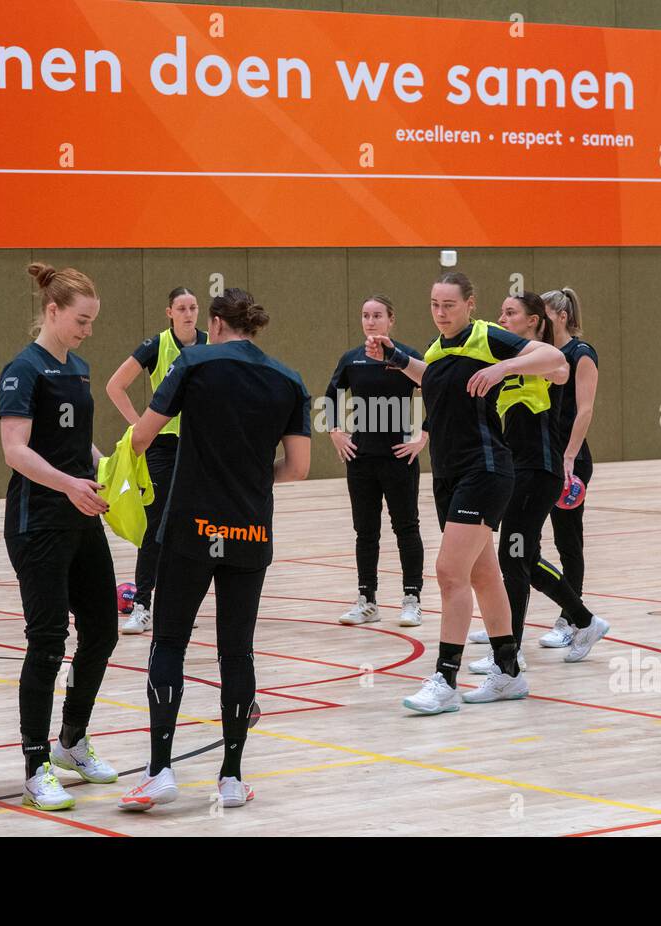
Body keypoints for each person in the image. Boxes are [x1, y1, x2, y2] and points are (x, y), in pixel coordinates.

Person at [118, 288, 310, 812]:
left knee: (170, 643)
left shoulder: (193, 362)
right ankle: (230, 777)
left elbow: (142, 438)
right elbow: (297, 468)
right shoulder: (289, 380)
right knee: (237, 650)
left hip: (189, 527)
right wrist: (251, 478)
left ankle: (159, 772)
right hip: (250, 529)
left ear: (218, 323)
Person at [366, 271, 567, 714]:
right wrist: (398, 357)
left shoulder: (488, 337)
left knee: (449, 572)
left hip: (487, 469)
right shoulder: (440, 349)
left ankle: (445, 678)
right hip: (448, 473)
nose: (441, 313)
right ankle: (509, 671)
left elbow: (553, 355)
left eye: (449, 305)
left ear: (470, 305)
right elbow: (432, 377)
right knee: (483, 575)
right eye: (435, 305)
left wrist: (504, 366)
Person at [0, 263, 119, 811]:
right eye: (80, 320)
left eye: (91, 322)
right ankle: (34, 764)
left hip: (80, 513)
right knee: (47, 641)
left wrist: (109, 471)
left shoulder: (82, 368)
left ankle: (71, 740)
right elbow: (15, 451)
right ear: (52, 311)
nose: (86, 331)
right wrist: (70, 484)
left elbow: (80, 444)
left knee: (103, 630)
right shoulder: (23, 371)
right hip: (38, 521)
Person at [476, 292, 607, 672]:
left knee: (516, 555)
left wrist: (569, 458)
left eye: (510, 313)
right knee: (523, 557)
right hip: (517, 468)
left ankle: (511, 649)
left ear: (536, 320)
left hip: (543, 468)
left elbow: (561, 374)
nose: (501, 318)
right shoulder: (513, 357)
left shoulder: (556, 359)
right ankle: (583, 620)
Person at [105, 286, 207, 634]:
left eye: (193, 307)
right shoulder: (155, 346)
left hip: (198, 446)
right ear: (170, 313)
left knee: (191, 528)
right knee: (156, 527)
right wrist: (139, 425)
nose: (189, 313)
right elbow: (115, 385)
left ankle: (177, 608)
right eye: (181, 307)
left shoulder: (211, 344)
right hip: (161, 447)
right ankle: (143, 605)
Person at [325, 294, 427, 628]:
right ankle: (367, 601)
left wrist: (422, 437)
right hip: (361, 459)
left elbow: (438, 394)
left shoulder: (408, 357)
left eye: (377, 315)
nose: (371, 321)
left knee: (406, 528)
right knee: (365, 532)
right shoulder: (351, 360)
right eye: (366, 315)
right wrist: (336, 432)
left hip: (399, 458)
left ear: (391, 319)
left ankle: (412, 599)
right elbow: (331, 396)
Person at [539, 287, 601, 648]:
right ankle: (508, 621)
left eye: (545, 316)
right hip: (541, 458)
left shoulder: (581, 353)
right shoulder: (542, 354)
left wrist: (568, 458)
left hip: (570, 462)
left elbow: (585, 410)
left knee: (567, 542)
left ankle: (570, 620)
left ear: (561, 316)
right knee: (525, 543)